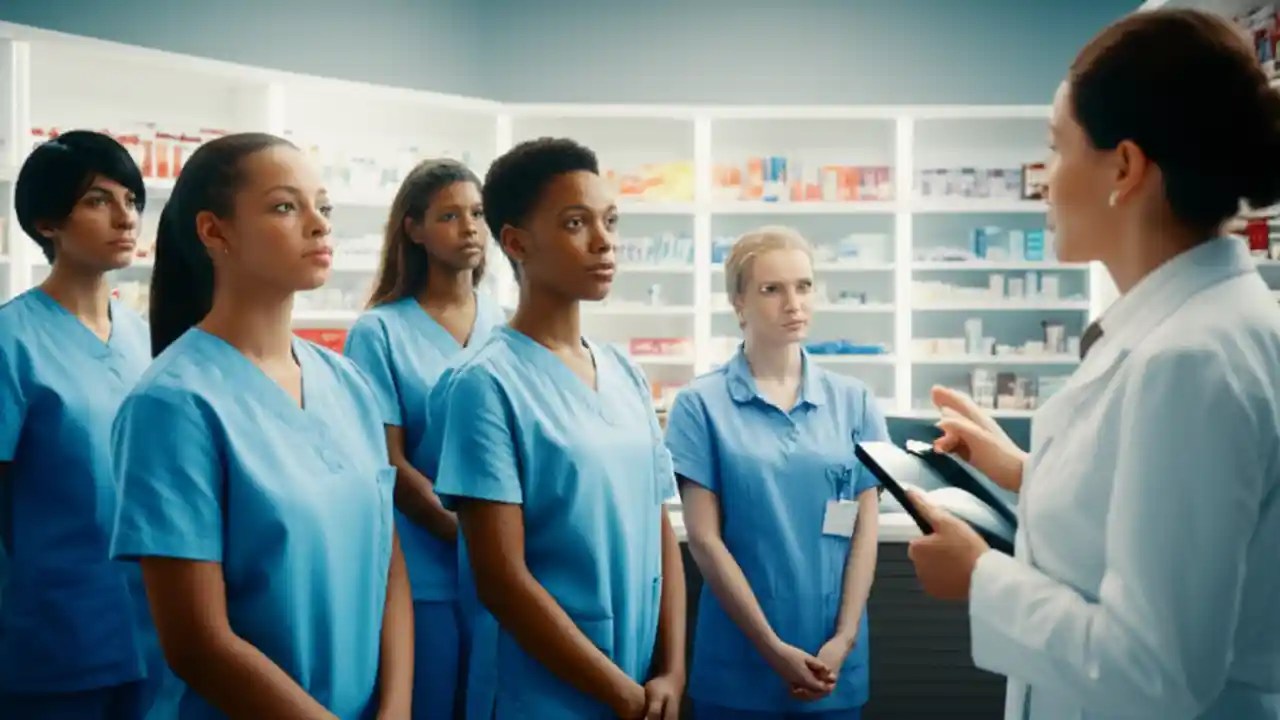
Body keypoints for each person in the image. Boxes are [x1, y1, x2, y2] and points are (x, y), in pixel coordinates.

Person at [905, 9, 1280, 719]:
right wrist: (1021, 469)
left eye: (1054, 148)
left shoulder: (1189, 361)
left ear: (1125, 167)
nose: (1043, 180)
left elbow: (1154, 671)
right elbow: (1152, 519)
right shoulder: (1209, 324)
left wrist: (981, 577)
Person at [109, 132, 413, 719]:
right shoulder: (173, 405)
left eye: (321, 207)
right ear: (214, 232)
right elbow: (200, 644)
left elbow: (388, 562)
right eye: (284, 206)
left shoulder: (346, 383)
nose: (319, 225)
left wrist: (397, 709)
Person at [431, 137, 687, 719]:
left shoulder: (622, 370)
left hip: (640, 686)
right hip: (542, 694)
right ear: (517, 243)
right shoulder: (485, 384)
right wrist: (620, 694)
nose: (604, 242)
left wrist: (671, 670)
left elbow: (659, 530)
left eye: (610, 221)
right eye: (576, 223)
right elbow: (502, 580)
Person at [663, 226, 886, 720]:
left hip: (834, 665)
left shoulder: (854, 401)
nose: (793, 303)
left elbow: (864, 529)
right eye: (772, 289)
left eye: (804, 286)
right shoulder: (701, 406)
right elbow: (704, 541)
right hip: (740, 668)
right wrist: (770, 647)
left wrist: (845, 638)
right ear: (738, 302)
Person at [0, 130, 177, 719]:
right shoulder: (12, 340)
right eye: (99, 200)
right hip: (53, 634)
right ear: (47, 221)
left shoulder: (146, 338)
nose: (125, 217)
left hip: (152, 624)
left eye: (131, 199)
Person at [344, 158, 504, 720]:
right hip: (425, 572)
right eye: (450, 215)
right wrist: (470, 536)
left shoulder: (506, 326)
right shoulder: (379, 331)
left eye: (478, 214)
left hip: (504, 573)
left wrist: (498, 551)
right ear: (413, 228)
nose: (470, 228)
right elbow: (387, 464)